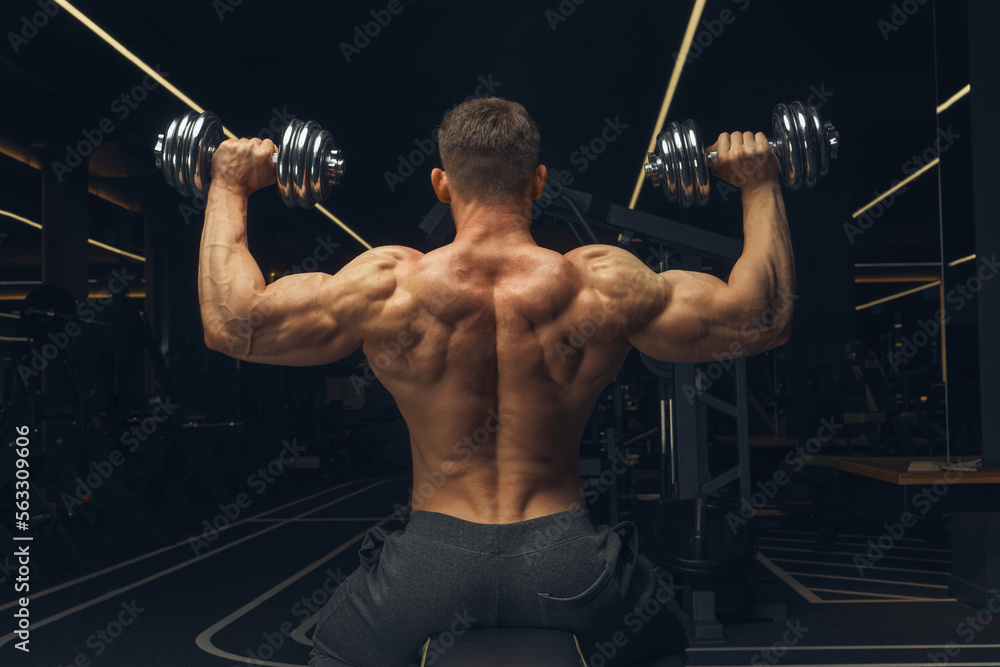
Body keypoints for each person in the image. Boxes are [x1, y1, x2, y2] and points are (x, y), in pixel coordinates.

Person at [199, 97, 794, 667]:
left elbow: (231, 324)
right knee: (660, 644)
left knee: (337, 653)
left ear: (441, 183)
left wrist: (227, 186)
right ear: (537, 181)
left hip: (429, 571)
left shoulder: (389, 285)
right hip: (568, 566)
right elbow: (763, 316)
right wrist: (761, 184)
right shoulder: (601, 284)